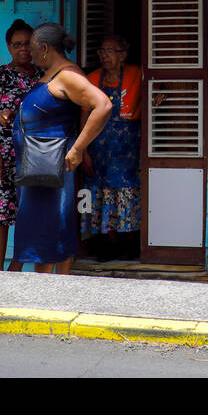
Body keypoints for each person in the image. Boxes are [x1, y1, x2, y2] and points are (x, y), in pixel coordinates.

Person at [12, 23, 112, 274]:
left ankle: (52, 290)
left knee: (50, 226)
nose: (30, 54)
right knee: (42, 227)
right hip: (36, 167)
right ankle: (48, 288)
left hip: (50, 165)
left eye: (33, 49)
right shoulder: (51, 74)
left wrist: (78, 148)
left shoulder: (68, 75)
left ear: (45, 48)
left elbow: (102, 105)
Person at [0, 19, 42, 271]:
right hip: (2, 154)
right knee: (0, 215)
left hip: (35, 154)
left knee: (32, 213)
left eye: (27, 44)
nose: (23, 49)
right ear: (8, 46)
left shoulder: (42, 75)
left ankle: (17, 265)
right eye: (17, 44)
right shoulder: (0, 75)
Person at [81, 34, 144, 260]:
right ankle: (104, 245)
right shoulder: (92, 78)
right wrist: (83, 150)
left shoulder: (137, 74)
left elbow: (159, 88)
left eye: (109, 51)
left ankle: (128, 244)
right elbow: (85, 115)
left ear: (123, 55)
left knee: (126, 195)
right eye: (101, 51)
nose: (104, 56)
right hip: (98, 149)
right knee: (96, 196)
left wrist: (160, 96)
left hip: (126, 150)